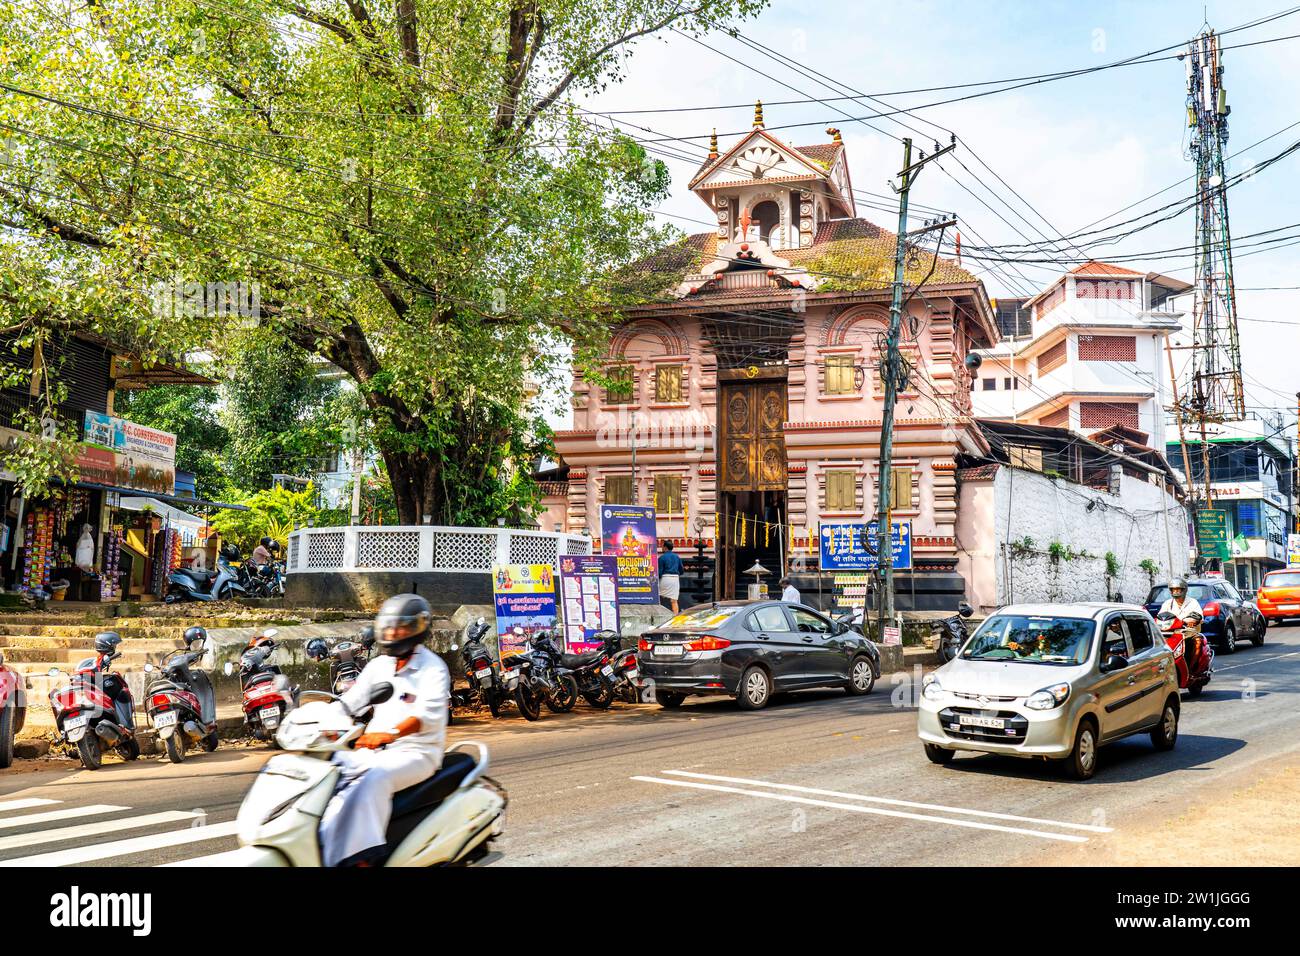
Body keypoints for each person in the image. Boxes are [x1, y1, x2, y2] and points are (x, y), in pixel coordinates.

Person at [318, 593, 450, 867]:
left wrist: (389, 734)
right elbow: (349, 703)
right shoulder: (379, 666)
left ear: (417, 629)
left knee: (372, 781)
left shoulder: (433, 669)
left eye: (400, 626)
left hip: (416, 753)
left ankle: (364, 858)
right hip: (372, 749)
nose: (392, 632)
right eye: (389, 626)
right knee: (327, 776)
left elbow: (426, 717)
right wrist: (322, 722)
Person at [657, 540, 683, 613]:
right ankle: (675, 618)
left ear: (665, 547)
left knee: (659, 598)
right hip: (675, 579)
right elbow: (681, 570)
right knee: (674, 601)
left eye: (662, 547)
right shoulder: (677, 557)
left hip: (665, 578)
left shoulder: (662, 558)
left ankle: (660, 615)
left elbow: (659, 572)